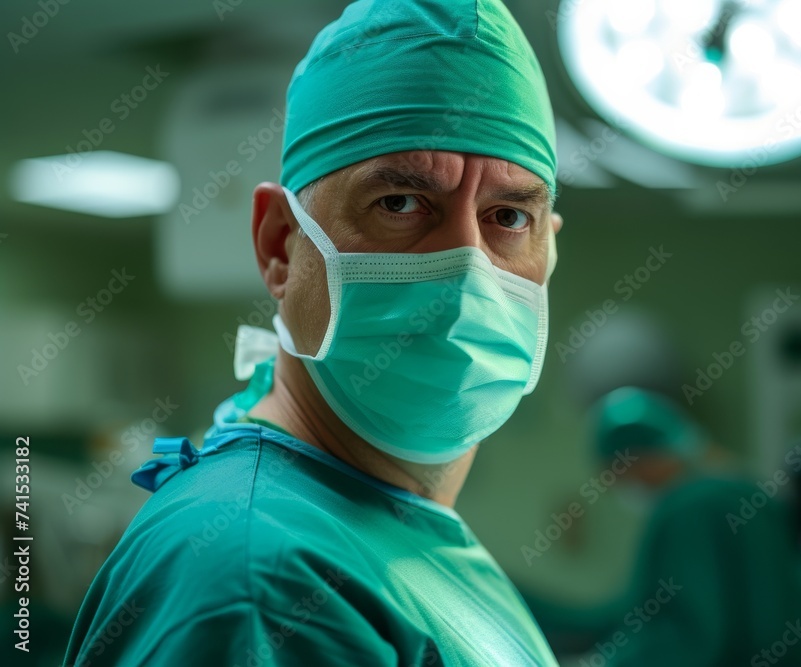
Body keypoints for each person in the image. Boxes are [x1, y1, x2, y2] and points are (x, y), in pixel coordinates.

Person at [64, 1, 562, 664]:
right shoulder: (256, 584)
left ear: (550, 249)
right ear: (279, 244)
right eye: (401, 204)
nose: (466, 271)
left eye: (508, 216)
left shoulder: (391, 524)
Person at [527, 386, 801, 666]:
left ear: (638, 457)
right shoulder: (755, 496)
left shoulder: (688, 508)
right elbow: (640, 613)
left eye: (617, 473)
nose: (620, 486)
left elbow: (690, 636)